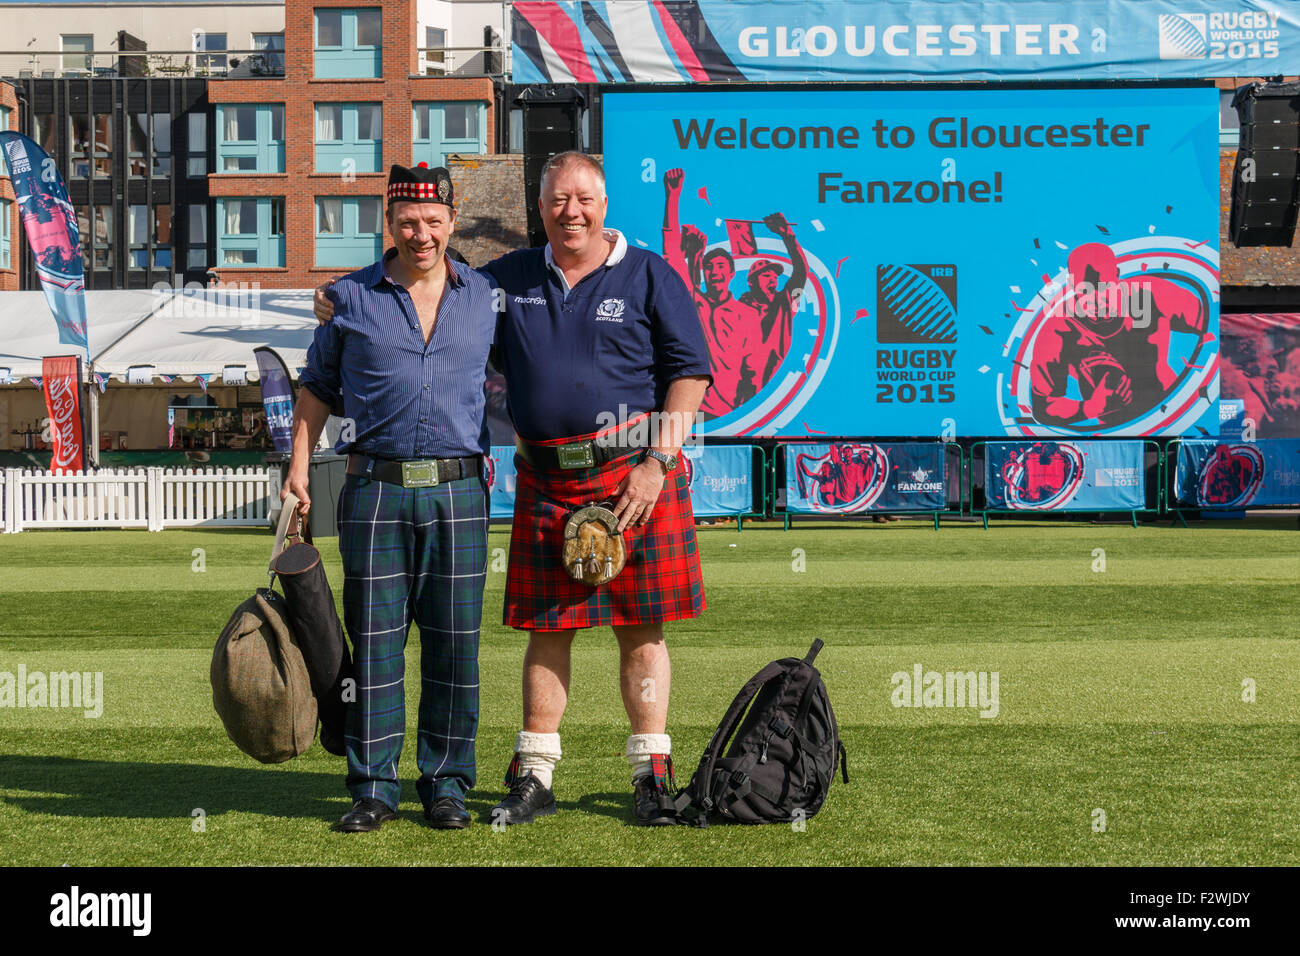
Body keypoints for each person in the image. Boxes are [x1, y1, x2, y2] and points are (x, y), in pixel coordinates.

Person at [314, 152, 712, 826]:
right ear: (541, 207)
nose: (571, 212)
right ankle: (535, 774)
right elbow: (431, 287)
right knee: (546, 630)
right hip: (549, 477)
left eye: (584, 199)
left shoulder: (650, 274)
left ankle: (650, 774)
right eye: (558, 200)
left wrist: (659, 462)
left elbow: (691, 373)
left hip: (635, 475)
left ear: (605, 204)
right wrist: (345, 293)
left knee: (640, 630)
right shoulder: (507, 280)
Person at [287, 163, 497, 833]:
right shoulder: (348, 298)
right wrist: (297, 467)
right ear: (390, 224)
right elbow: (317, 387)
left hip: (460, 492)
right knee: (377, 645)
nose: (421, 234)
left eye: (434, 222)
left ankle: (446, 784)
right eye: (408, 222)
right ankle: (373, 786)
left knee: (454, 645)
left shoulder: (485, 295)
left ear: (452, 224)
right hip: (373, 490)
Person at [1030, 242, 1207, 428]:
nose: (1096, 300)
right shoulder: (1060, 330)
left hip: (1173, 413)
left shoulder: (1150, 295)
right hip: (1119, 425)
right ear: (1072, 286)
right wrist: (1090, 408)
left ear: (1117, 277)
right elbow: (1043, 407)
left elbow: (1211, 325)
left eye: (1104, 287)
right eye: (1085, 291)